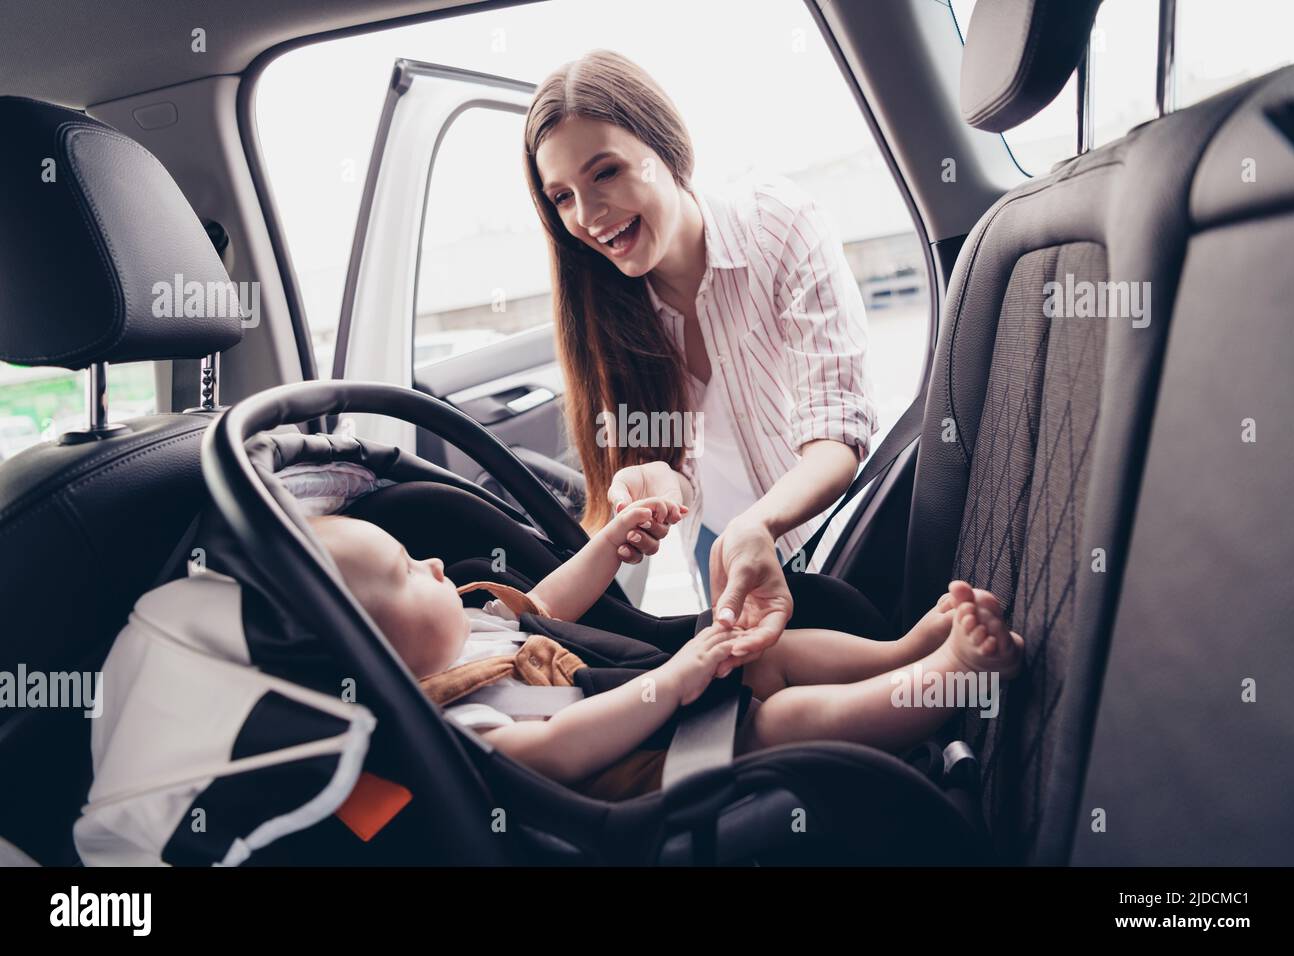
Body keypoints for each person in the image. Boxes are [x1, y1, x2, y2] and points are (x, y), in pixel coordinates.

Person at [524, 50, 878, 674]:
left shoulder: (777, 224)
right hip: (718, 544)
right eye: (563, 197)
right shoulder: (607, 310)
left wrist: (757, 526)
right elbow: (679, 463)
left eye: (604, 172)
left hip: (833, 525)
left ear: (666, 149)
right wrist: (658, 481)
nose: (588, 215)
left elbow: (837, 436)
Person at [307, 507, 1022, 801]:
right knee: (783, 717)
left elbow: (551, 603)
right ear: (372, 652)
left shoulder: (476, 622)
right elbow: (556, 748)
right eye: (405, 571)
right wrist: (674, 683)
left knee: (776, 655)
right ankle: (951, 678)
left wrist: (606, 545)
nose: (433, 564)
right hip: (649, 769)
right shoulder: (451, 721)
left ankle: (901, 652)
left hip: (661, 705)